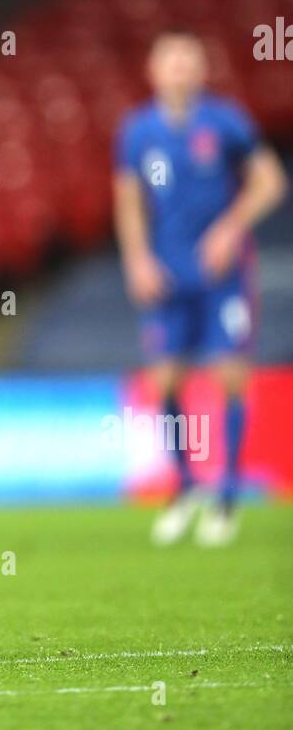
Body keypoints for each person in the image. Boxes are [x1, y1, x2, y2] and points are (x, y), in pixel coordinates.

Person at [113, 30, 286, 546]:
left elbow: (270, 180)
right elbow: (128, 201)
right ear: (153, 70)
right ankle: (186, 487)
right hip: (167, 274)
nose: (180, 71)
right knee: (164, 381)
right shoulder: (137, 131)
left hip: (223, 275)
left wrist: (230, 229)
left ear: (202, 70)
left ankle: (227, 495)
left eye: (189, 62)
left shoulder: (225, 120)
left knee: (230, 375)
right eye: (171, 62)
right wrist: (138, 260)